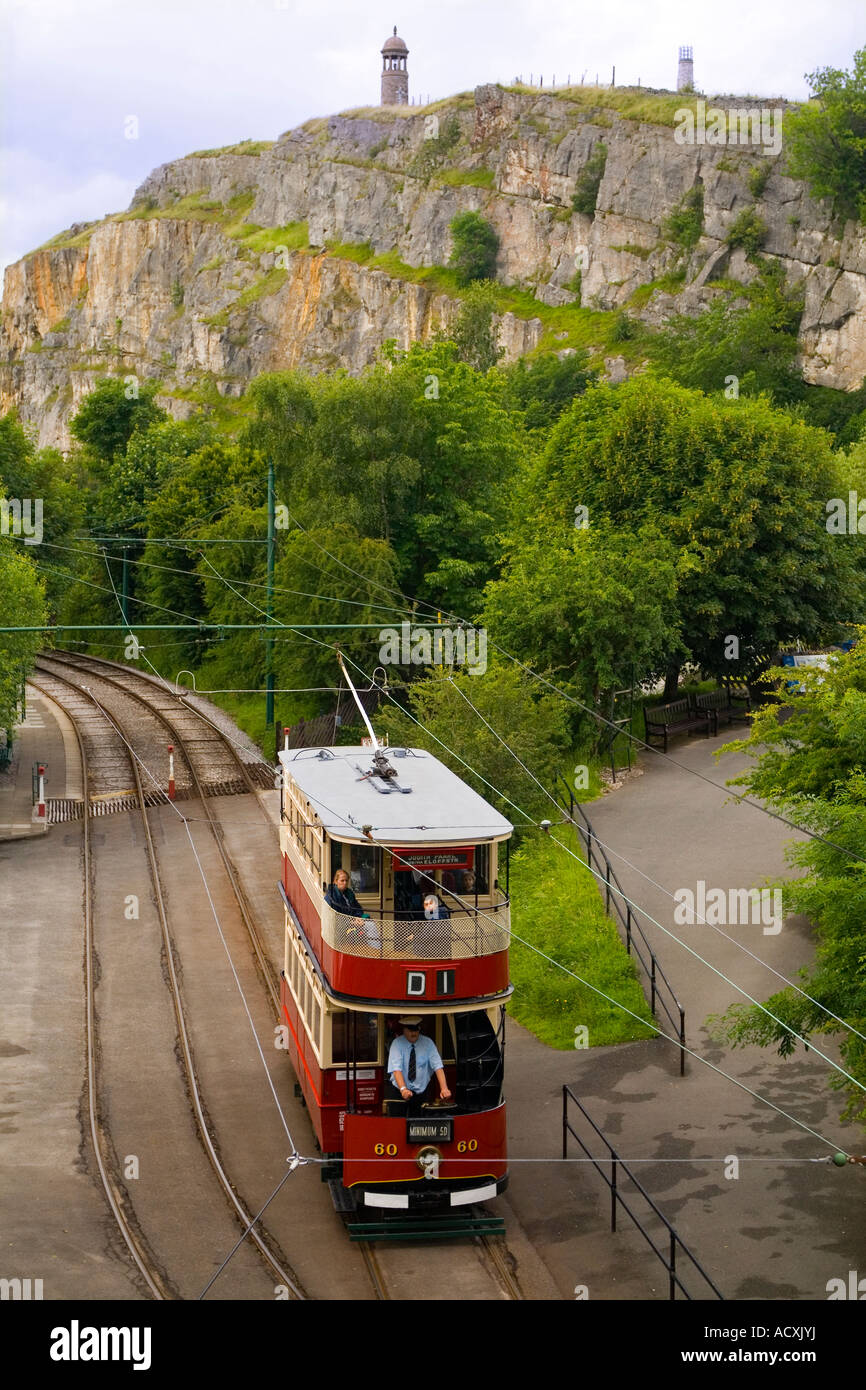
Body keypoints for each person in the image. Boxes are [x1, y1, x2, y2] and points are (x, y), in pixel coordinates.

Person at [386, 1017, 452, 1113]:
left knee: (420, 1123)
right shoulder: (397, 1044)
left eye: (416, 1030)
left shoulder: (428, 1043)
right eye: (410, 1030)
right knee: (397, 1123)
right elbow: (396, 1069)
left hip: (421, 1093)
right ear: (404, 1030)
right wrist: (403, 1089)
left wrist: (444, 1088)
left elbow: (438, 1066)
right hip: (399, 1091)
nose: (414, 1033)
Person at [324, 869, 381, 950]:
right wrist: (351, 921)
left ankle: (376, 950)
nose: (345, 883)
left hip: (353, 921)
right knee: (370, 925)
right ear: (335, 881)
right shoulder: (331, 896)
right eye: (342, 880)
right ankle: (378, 951)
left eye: (346, 881)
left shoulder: (349, 893)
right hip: (341, 927)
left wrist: (358, 918)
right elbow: (333, 916)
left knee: (370, 922)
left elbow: (358, 908)